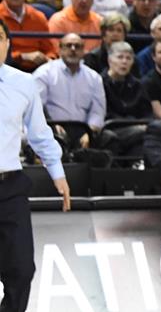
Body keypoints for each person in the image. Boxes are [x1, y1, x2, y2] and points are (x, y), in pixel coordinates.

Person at [0, 19, 71, 312]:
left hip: (10, 186)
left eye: (0, 37)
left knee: (21, 270)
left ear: (7, 43)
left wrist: (58, 173)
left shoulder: (23, 82)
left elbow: (40, 133)